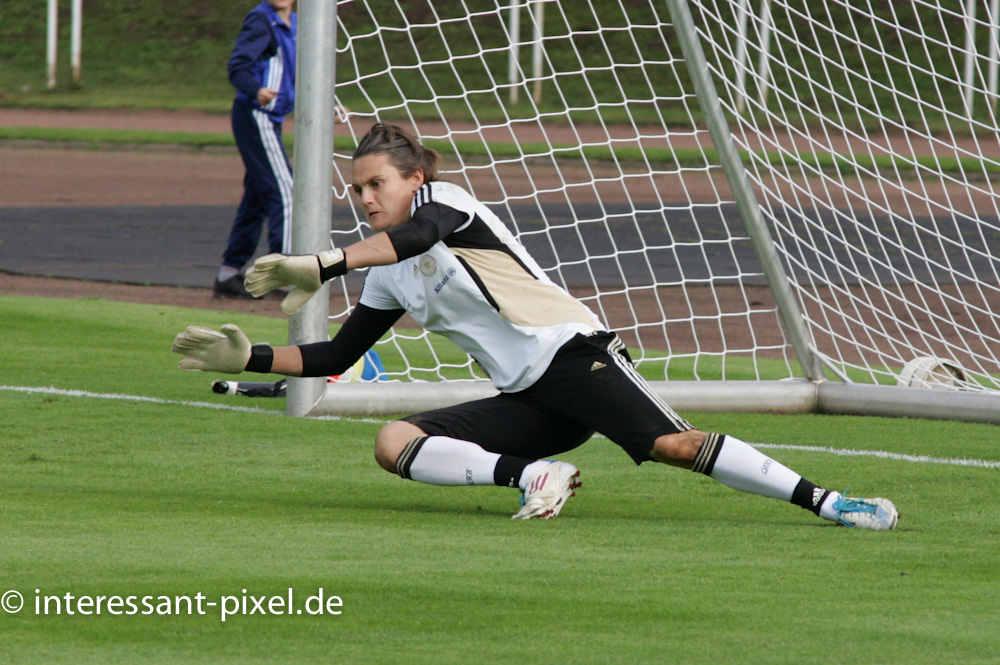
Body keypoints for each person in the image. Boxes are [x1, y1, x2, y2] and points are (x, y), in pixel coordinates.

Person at [174, 123, 899, 530]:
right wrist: (254, 351)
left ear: (413, 180)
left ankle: (833, 502)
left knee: (672, 444)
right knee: (393, 440)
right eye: (357, 187)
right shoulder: (383, 266)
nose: (364, 196)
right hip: (527, 397)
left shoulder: (447, 205)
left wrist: (322, 264)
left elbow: (418, 237)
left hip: (568, 353)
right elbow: (338, 350)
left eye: (376, 184)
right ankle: (536, 477)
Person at [214, 0, 297, 299]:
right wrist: (256, 89)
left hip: (268, 120)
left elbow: (297, 76)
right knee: (287, 192)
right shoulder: (261, 20)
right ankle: (285, 274)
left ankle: (228, 275)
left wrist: (331, 106)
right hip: (255, 116)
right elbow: (238, 67)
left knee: (258, 197)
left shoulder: (297, 25)